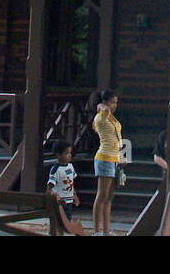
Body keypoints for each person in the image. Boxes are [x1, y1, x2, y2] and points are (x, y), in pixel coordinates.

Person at [89, 89, 122, 236]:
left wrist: (122, 156)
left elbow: (118, 138)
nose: (114, 105)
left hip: (114, 158)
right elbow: (101, 110)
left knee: (109, 197)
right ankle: (96, 231)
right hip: (104, 158)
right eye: (112, 102)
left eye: (116, 103)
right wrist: (102, 106)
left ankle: (106, 231)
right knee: (101, 195)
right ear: (105, 102)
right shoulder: (101, 117)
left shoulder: (112, 118)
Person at [47, 142, 85, 235]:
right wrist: (51, 198)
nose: (69, 155)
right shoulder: (55, 170)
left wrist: (75, 196)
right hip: (60, 201)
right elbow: (50, 187)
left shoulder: (70, 167)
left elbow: (72, 183)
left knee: (66, 222)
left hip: (69, 201)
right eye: (66, 153)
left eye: (70, 153)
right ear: (58, 155)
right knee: (59, 222)